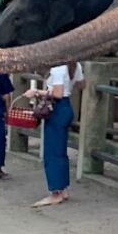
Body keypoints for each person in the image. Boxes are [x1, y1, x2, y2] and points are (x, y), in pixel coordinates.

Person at [28, 62, 80, 207]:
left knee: (52, 152)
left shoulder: (58, 68)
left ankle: (56, 193)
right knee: (60, 151)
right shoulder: (76, 65)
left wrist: (37, 92)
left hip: (58, 109)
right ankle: (63, 188)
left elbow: (58, 93)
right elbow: (82, 84)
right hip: (66, 107)